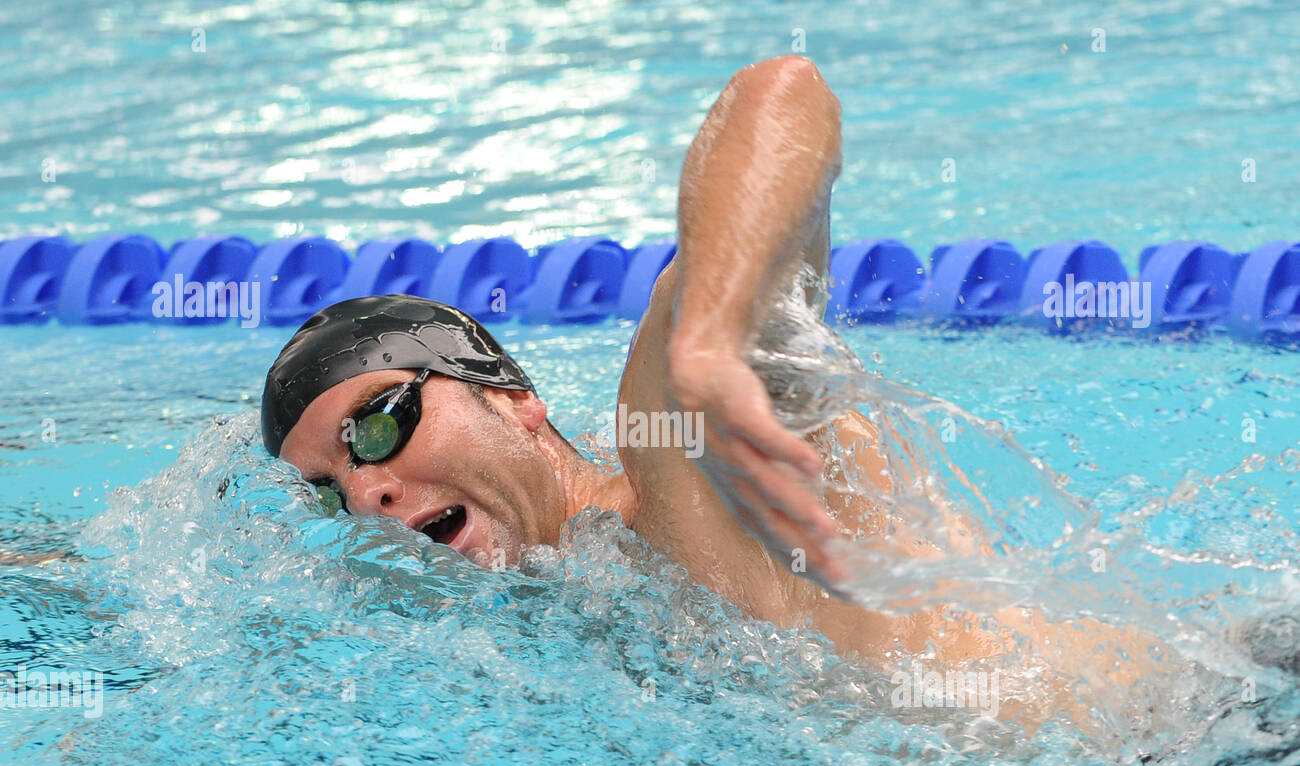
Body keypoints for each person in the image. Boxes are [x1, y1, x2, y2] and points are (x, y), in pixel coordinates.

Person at [261, 56, 1146, 698]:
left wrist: (712, 344)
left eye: (375, 426)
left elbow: (783, 93)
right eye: (328, 490)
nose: (367, 493)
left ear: (513, 400)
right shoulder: (566, 602)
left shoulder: (674, 462)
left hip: (1211, 748)